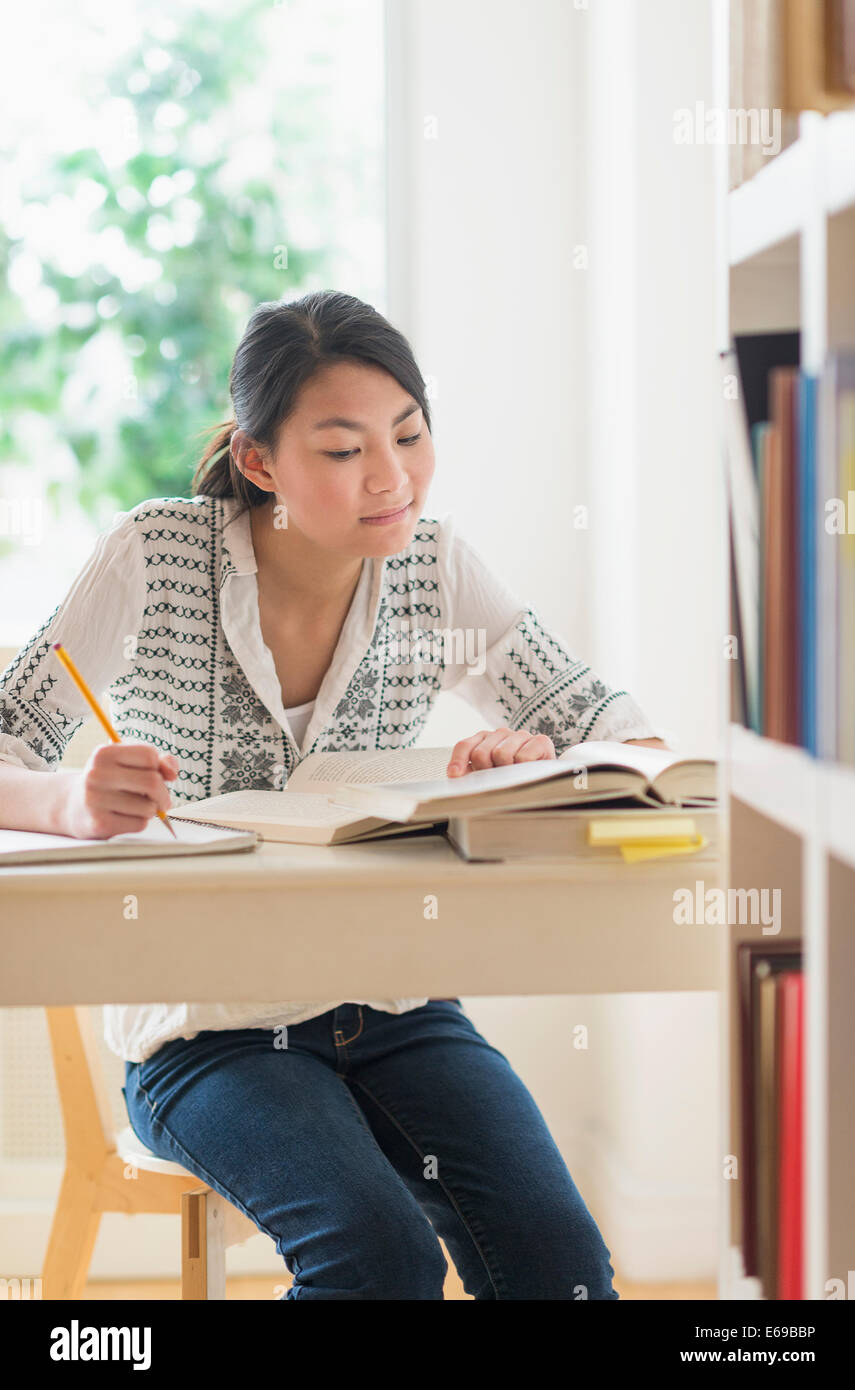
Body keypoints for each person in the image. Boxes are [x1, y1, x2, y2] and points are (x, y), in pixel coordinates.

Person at [0, 290, 665, 1299]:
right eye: (345, 449)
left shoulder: (434, 569)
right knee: (378, 1257)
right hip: (207, 1029)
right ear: (262, 462)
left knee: (558, 1262)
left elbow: (628, 739)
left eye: (408, 432)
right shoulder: (154, 554)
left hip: (395, 1003)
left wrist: (533, 770)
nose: (392, 477)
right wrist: (70, 804)